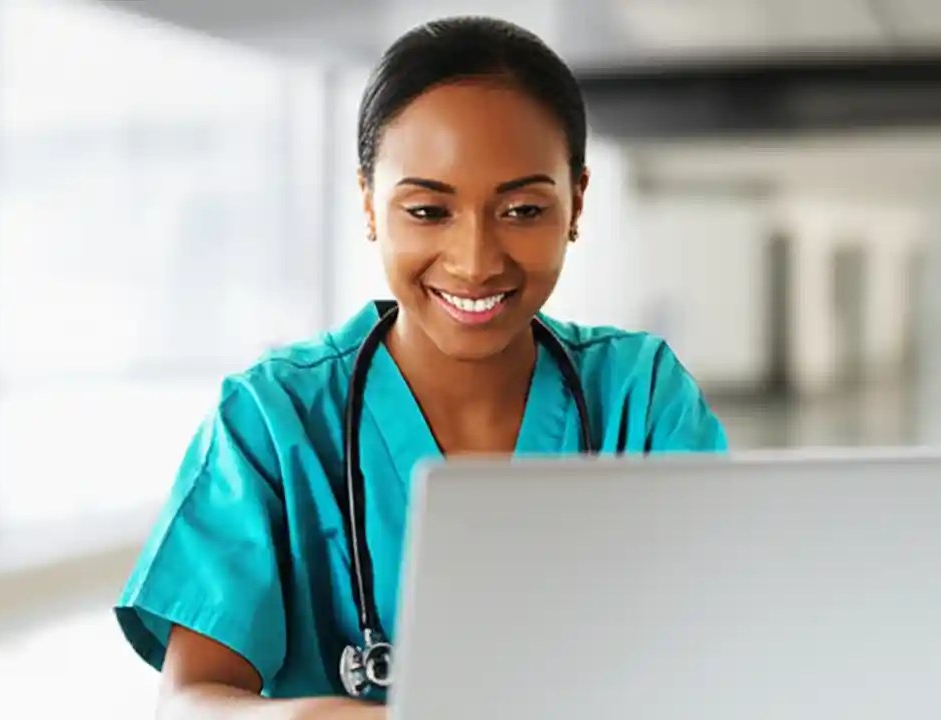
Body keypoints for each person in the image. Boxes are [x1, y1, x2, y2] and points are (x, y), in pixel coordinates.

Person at [115, 16, 728, 719]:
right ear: (370, 202)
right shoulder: (272, 420)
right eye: (429, 210)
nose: (475, 260)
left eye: (523, 209)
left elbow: (721, 641)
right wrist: (313, 717)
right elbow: (192, 700)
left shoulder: (639, 399)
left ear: (577, 203)